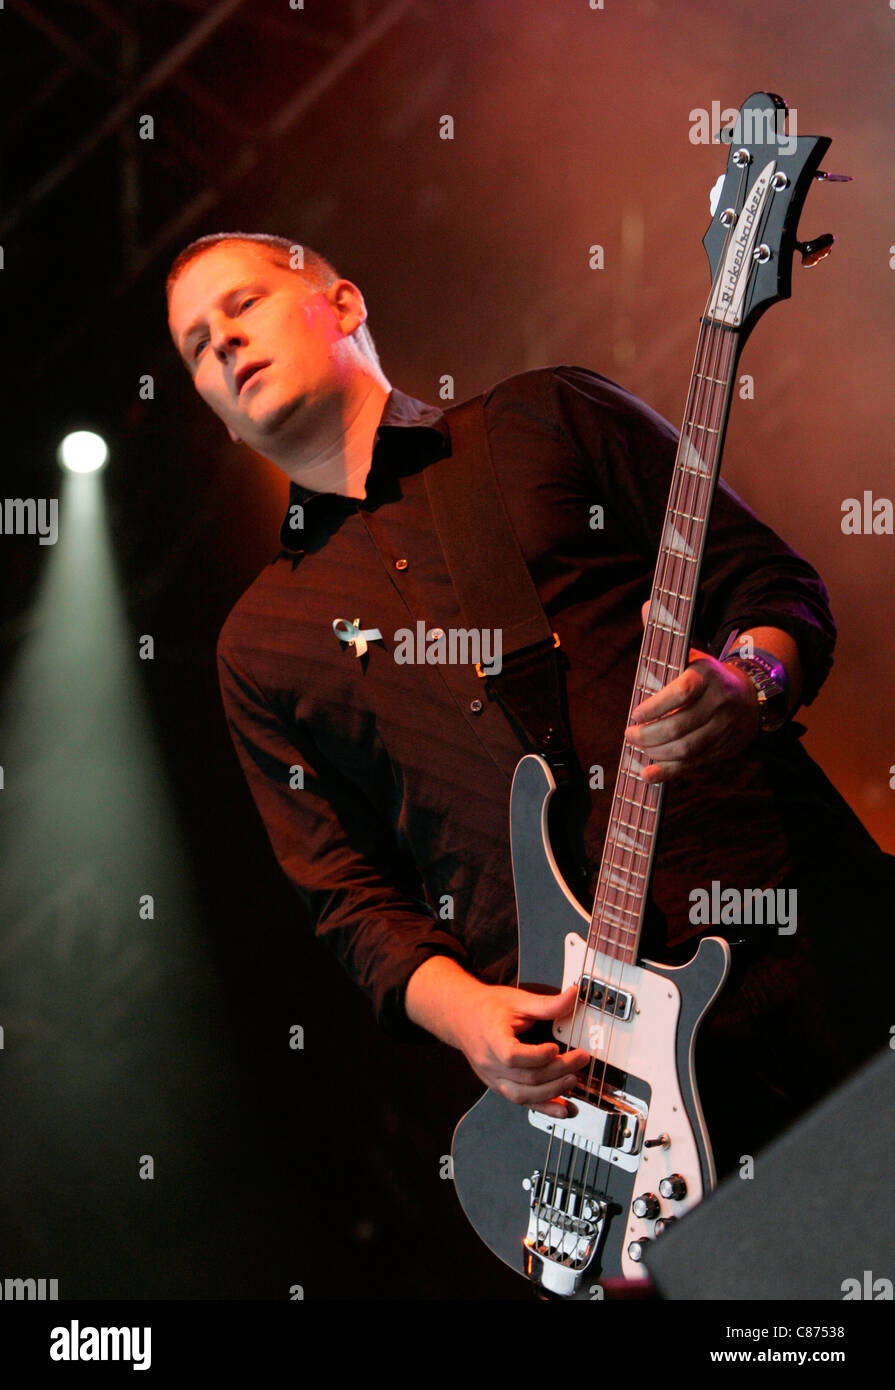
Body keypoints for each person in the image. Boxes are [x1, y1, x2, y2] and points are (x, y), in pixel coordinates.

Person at [166, 231, 893, 1185]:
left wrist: (749, 684)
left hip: (805, 940)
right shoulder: (259, 645)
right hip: (602, 1079)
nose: (219, 343)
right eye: (192, 348)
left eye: (242, 305)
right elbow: (346, 895)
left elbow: (766, 582)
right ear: (214, 413)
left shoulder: (541, 418)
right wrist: (463, 1013)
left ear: (343, 304)